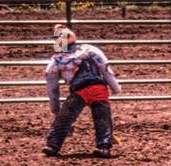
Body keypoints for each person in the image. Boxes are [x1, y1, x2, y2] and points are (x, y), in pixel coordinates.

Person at [42, 23, 121, 159]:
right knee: (102, 118)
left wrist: (55, 108)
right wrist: (115, 88)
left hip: (79, 92)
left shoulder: (57, 60)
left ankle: (52, 145)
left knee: (64, 119)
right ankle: (103, 146)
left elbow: (52, 86)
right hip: (99, 89)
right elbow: (105, 68)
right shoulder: (90, 49)